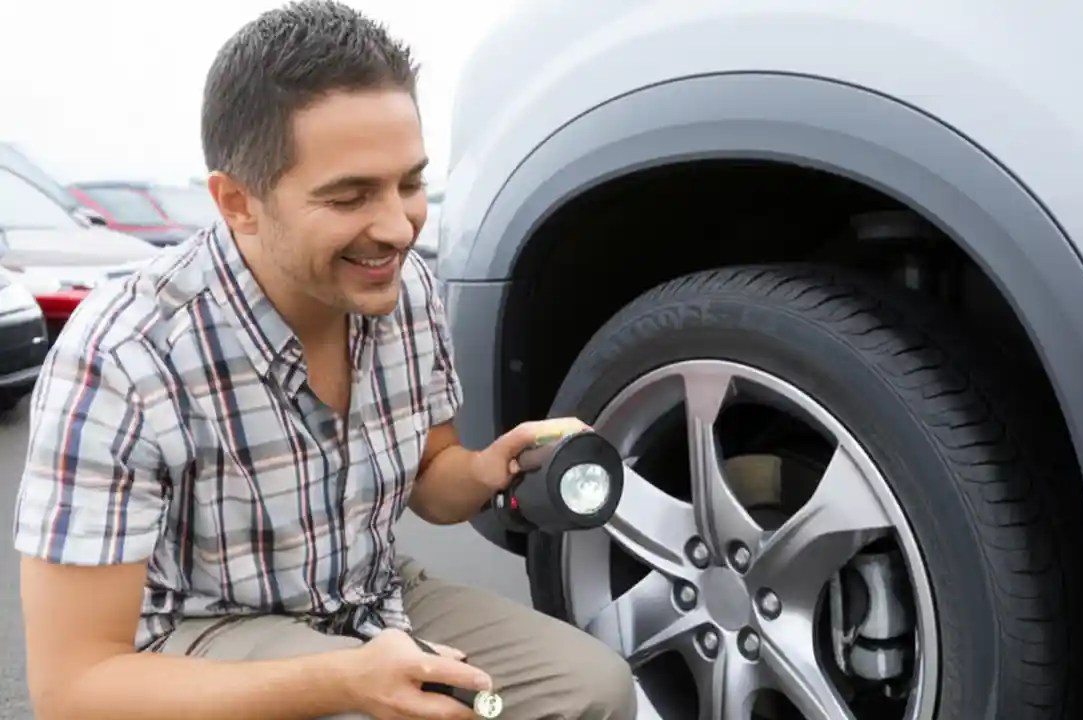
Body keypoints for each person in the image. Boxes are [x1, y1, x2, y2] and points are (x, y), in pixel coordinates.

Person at [12, 2, 638, 719]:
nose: (398, 227)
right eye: (350, 196)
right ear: (237, 202)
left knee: (594, 689)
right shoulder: (124, 358)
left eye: (408, 183)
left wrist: (490, 467)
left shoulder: (404, 295)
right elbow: (75, 688)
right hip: (197, 633)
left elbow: (432, 481)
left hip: (372, 595)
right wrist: (341, 681)